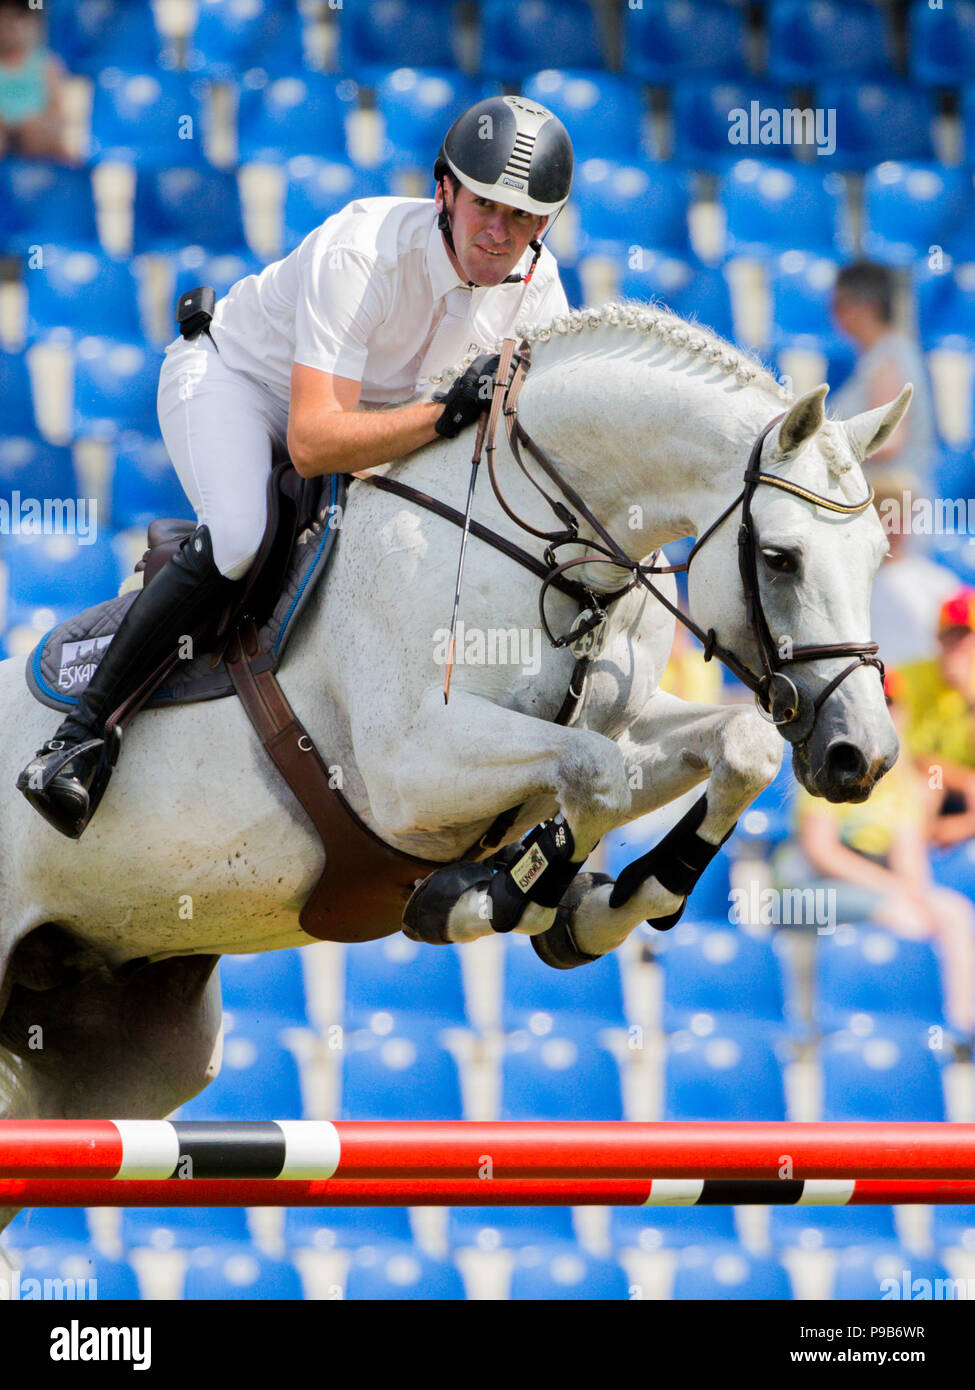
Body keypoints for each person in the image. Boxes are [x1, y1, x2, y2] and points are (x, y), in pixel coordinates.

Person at [18, 95, 574, 838]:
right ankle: (77, 740)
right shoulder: (365, 248)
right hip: (234, 386)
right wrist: (445, 415)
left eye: (525, 218)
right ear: (444, 191)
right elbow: (312, 442)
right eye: (486, 207)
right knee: (243, 534)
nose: (500, 234)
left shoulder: (537, 291)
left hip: (371, 429)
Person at [781, 671, 975, 1035]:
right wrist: (897, 891)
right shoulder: (828, 765)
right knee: (908, 919)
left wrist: (918, 894)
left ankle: (960, 1029)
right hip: (803, 888)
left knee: (954, 913)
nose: (882, 717)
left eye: (890, 707)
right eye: (876, 707)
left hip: (871, 884)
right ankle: (883, 1022)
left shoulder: (904, 785)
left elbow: (909, 861)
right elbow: (823, 854)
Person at [830, 260, 936, 496]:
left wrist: (826, 450)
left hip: (890, 503)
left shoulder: (887, 360)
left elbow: (890, 441)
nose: (832, 314)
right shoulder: (882, 356)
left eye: (838, 304)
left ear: (865, 307)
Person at [0, 0, 70, 162]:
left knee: (37, 135)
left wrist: (39, 123)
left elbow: (56, 107)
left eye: (16, 21)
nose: (9, 30)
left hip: (37, 128)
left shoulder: (47, 63)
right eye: (4, 22)